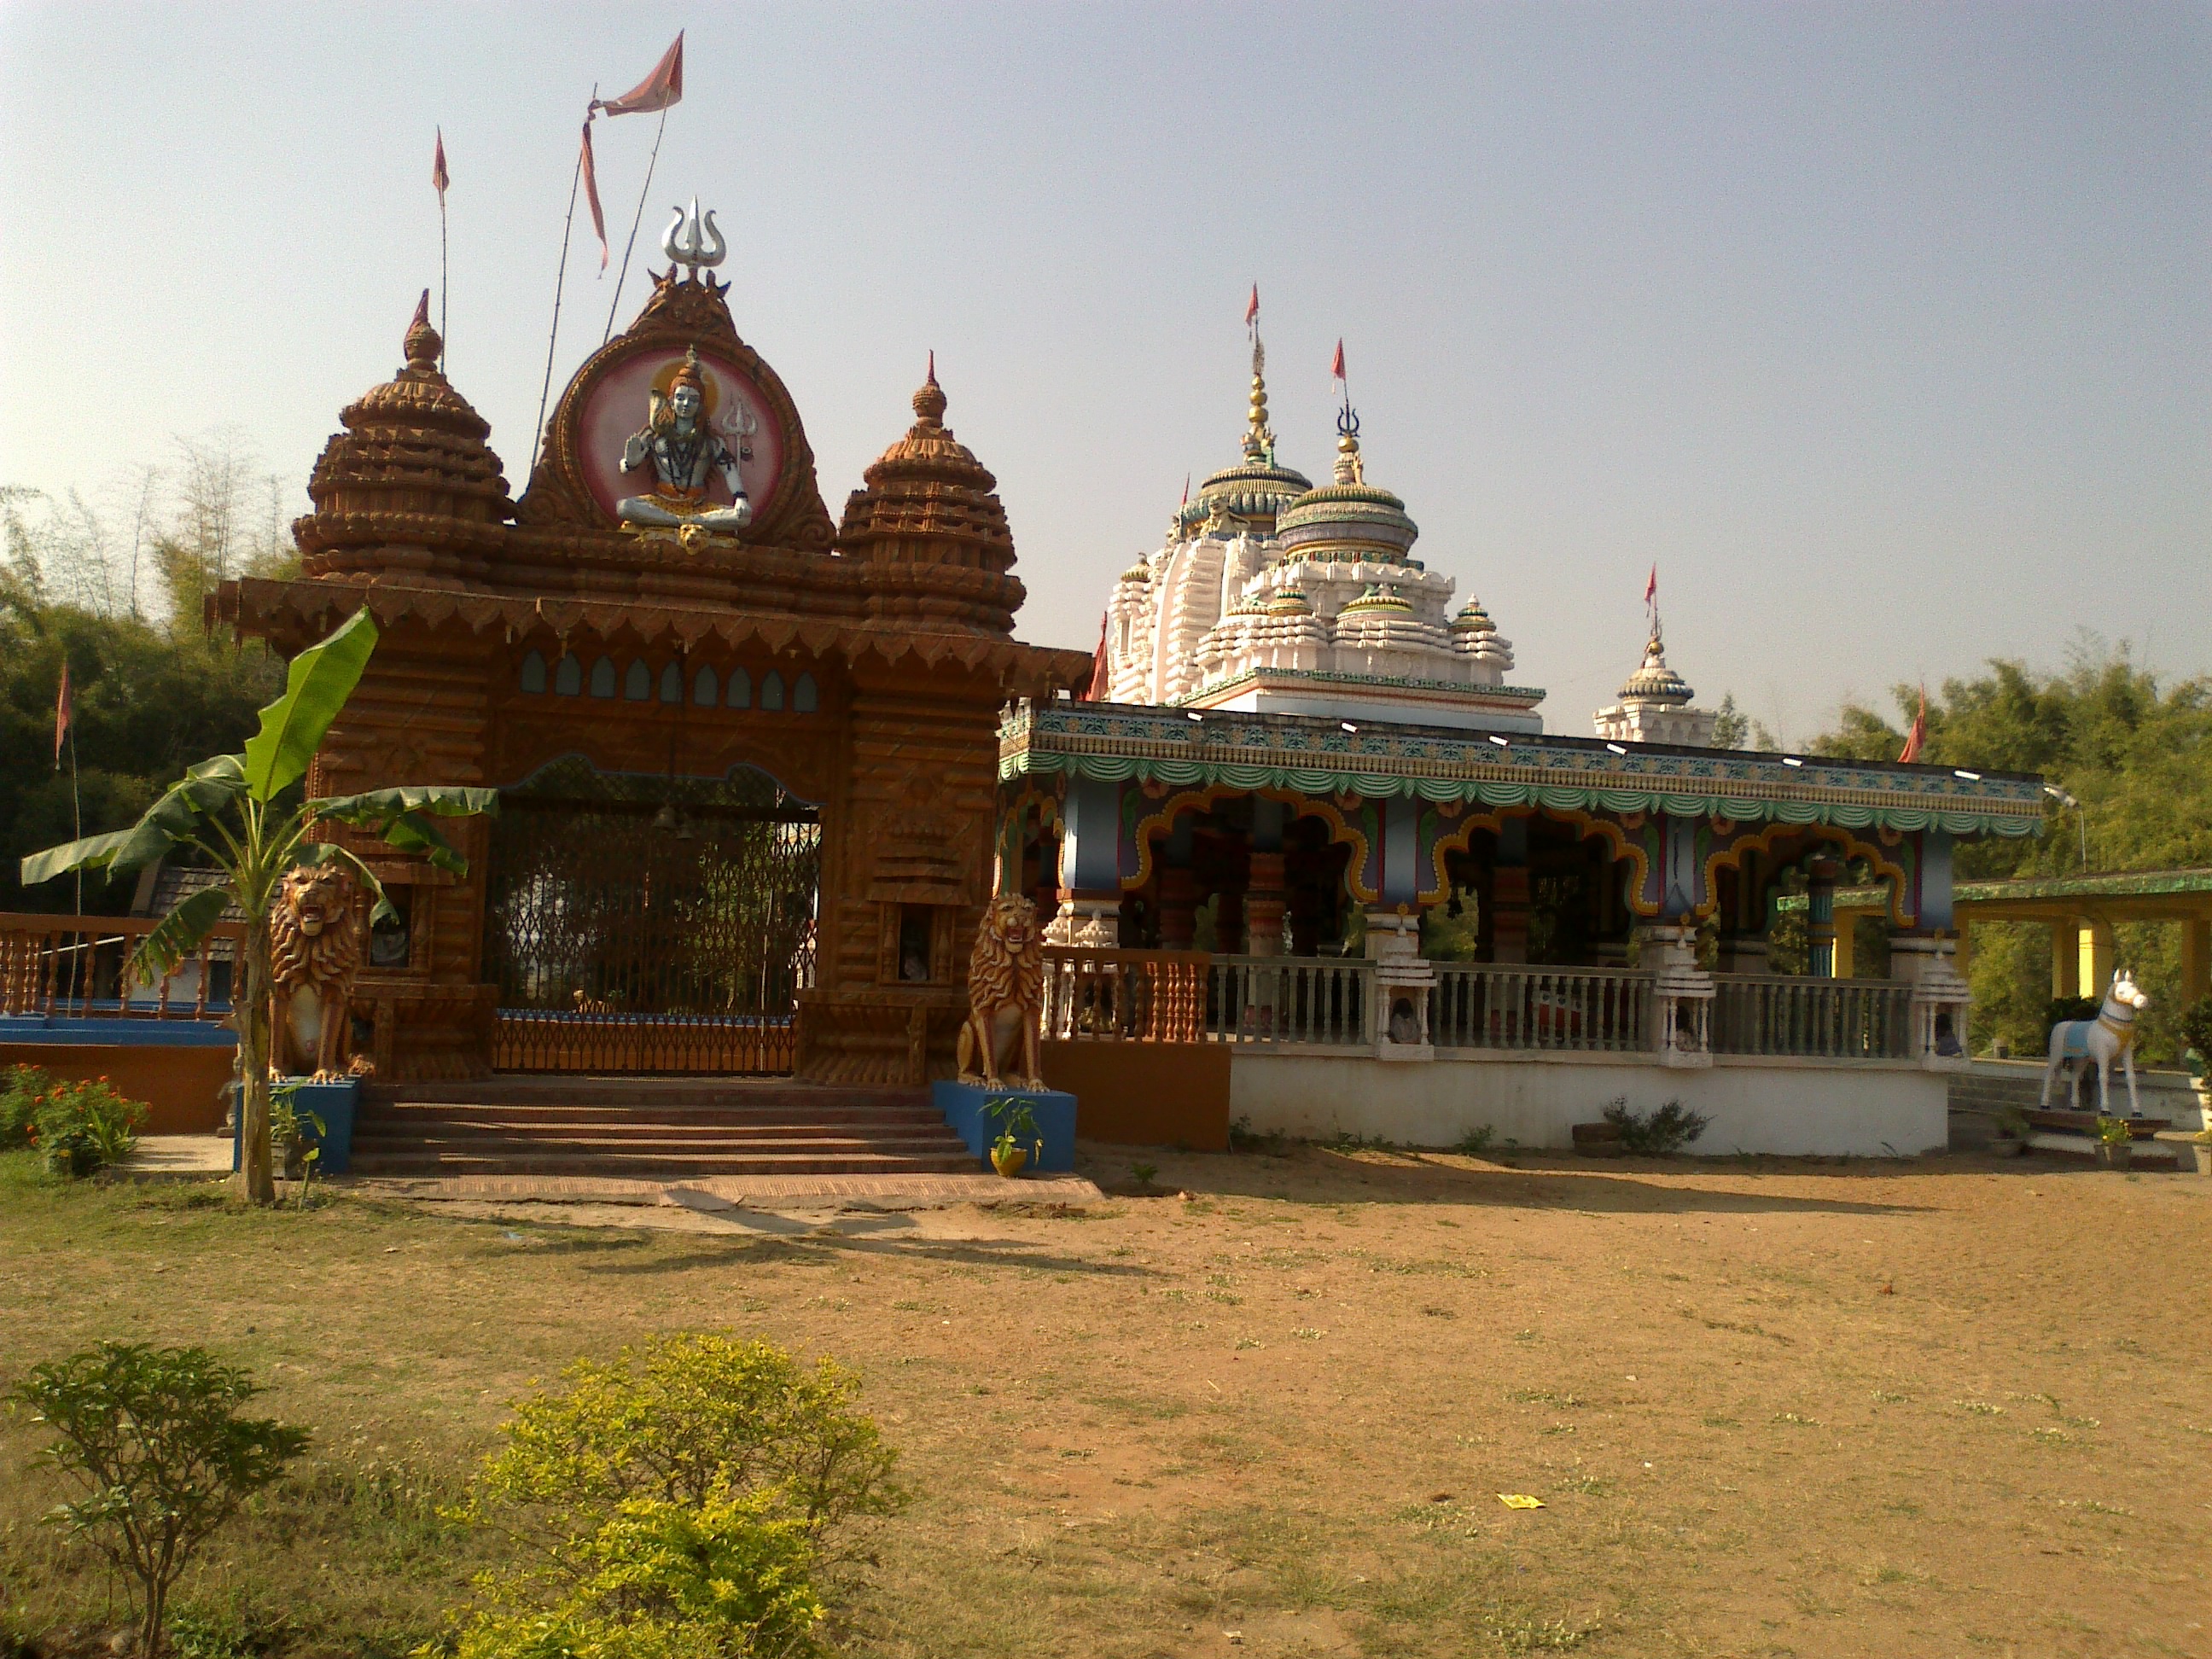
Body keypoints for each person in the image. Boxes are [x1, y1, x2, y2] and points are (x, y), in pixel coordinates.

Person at [616, 346, 752, 533]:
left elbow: (729, 470)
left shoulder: (709, 441)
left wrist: (740, 498)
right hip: (661, 502)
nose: (686, 404)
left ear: (701, 405)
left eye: (693, 400)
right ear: (671, 401)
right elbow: (625, 467)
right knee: (625, 507)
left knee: (742, 517)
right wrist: (630, 463)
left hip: (698, 506)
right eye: (680, 398)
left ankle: (677, 522)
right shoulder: (654, 435)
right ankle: (686, 523)